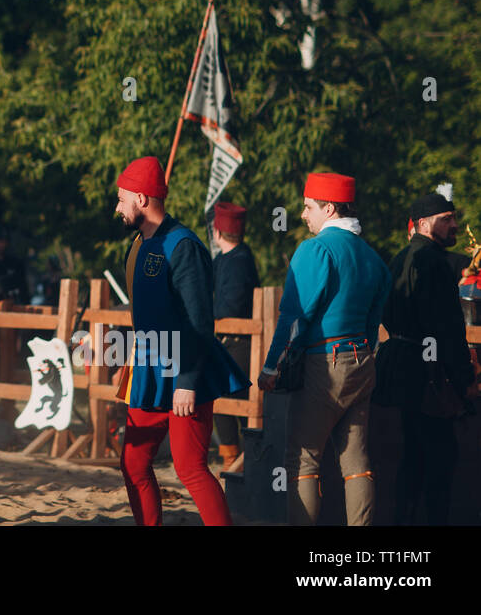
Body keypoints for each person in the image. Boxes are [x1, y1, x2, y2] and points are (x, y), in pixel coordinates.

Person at [112, 156, 247, 526]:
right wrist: (129, 363)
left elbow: (199, 321)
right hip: (149, 367)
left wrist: (187, 383)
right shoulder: (139, 244)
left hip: (187, 367)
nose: (117, 207)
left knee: (190, 468)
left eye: (122, 199)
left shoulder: (183, 245)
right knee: (134, 462)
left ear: (142, 199)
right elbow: (144, 316)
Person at [259, 172, 390, 526]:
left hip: (323, 363)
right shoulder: (373, 258)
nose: (303, 215)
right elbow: (373, 322)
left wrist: (272, 367)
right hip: (362, 360)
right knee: (357, 464)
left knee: (302, 460)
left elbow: (295, 318)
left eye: (308, 207)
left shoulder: (314, 249)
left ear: (329, 208)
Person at [374, 192, 473, 524]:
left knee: (413, 457)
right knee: (440, 460)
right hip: (425, 371)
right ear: (423, 223)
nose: (454, 225)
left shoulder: (399, 258)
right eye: (447, 219)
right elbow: (446, 328)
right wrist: (462, 379)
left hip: (400, 365)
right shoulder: (434, 262)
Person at [210, 201, 259, 466]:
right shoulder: (223, 259)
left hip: (240, 345)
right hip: (226, 343)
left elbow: (231, 306)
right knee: (219, 398)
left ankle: (238, 461)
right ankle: (232, 458)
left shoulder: (240, 261)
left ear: (218, 232)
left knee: (231, 400)